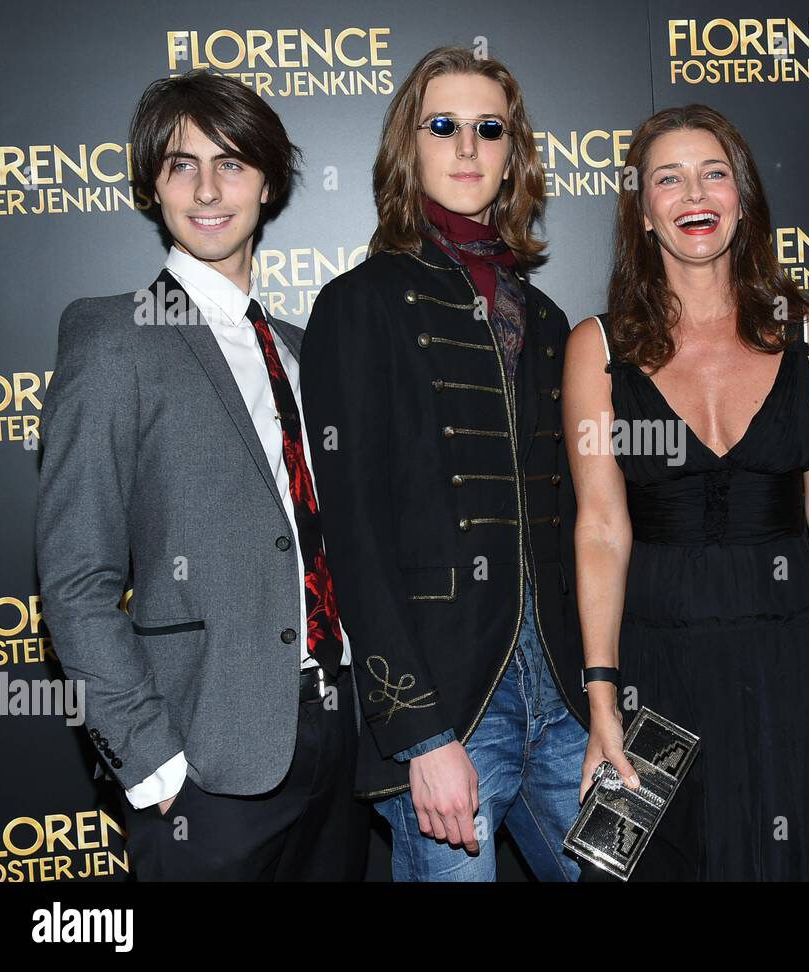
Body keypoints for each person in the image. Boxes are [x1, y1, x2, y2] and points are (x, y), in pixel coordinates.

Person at [35, 70, 369, 880]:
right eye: (183, 165)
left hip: (342, 738)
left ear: (268, 181)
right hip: (206, 758)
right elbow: (76, 578)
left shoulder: (302, 348)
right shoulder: (113, 339)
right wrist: (153, 763)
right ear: (153, 186)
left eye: (232, 162)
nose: (210, 188)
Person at [563, 104, 809, 881]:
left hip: (798, 656)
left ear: (743, 198)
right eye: (669, 179)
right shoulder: (599, 348)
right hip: (660, 664)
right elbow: (601, 530)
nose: (695, 194)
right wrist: (603, 697)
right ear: (642, 210)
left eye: (714, 173)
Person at [299, 46, 589, 882]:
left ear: (513, 155)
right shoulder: (359, 305)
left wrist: (601, 700)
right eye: (444, 126)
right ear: (408, 148)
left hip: (562, 695)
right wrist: (419, 735)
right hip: (449, 703)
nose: (468, 147)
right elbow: (350, 536)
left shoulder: (546, 315)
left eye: (488, 129)